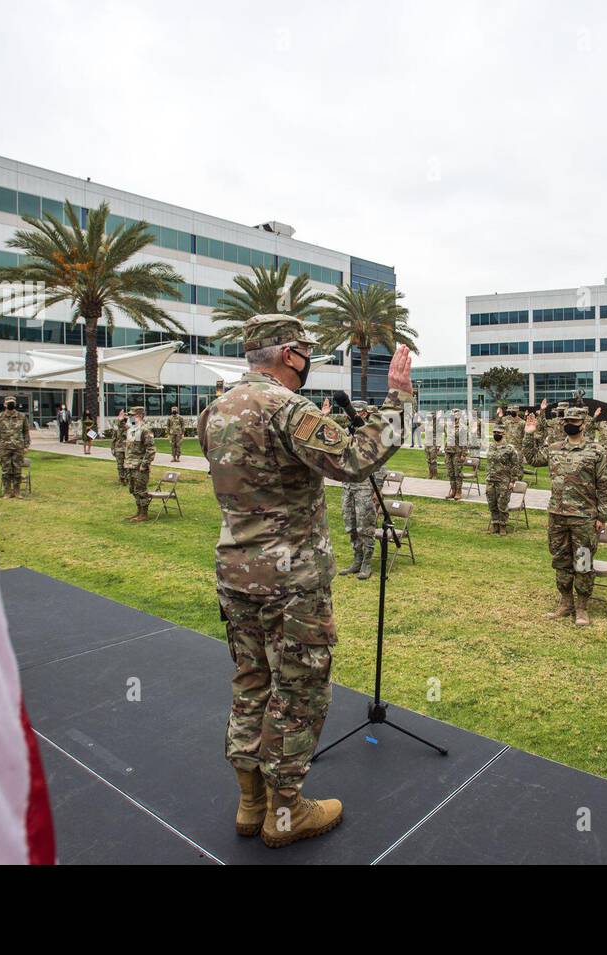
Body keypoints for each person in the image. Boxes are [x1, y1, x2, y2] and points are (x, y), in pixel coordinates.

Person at [204, 315, 411, 848]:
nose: (308, 361)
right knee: (298, 690)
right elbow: (353, 460)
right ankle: (287, 809)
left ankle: (251, 802)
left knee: (251, 681)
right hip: (290, 580)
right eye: (306, 352)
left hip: (237, 571)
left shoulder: (218, 407)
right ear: (290, 353)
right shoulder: (285, 407)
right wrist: (397, 401)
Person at [522, 406, 607, 626]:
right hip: (558, 515)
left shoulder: (596, 451)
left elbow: (605, 486)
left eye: (573, 421)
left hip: (584, 517)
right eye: (566, 421)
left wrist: (602, 515)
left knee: (583, 561)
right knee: (560, 560)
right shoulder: (554, 448)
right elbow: (532, 458)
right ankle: (565, 602)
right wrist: (528, 433)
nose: (568, 424)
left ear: (583, 424)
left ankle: (582, 607)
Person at [338, 406, 388, 581]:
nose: (349, 414)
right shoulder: (345, 433)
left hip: (366, 487)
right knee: (350, 524)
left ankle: (367, 562)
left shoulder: (371, 435)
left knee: (365, 526)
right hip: (348, 486)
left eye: (356, 412)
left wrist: (378, 489)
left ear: (364, 413)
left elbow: (381, 465)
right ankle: (357, 559)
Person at [484, 421, 523, 534]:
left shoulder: (509, 448)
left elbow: (515, 465)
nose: (496, 434)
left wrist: (513, 480)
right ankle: (495, 524)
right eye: (494, 432)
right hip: (491, 479)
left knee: (502, 504)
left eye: (499, 432)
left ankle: (503, 526)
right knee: (492, 503)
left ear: (504, 433)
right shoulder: (491, 446)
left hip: (503, 481)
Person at [0, 396, 30, 499]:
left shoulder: (22, 416)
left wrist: (26, 446)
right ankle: (7, 491)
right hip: (4, 448)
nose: (10, 404)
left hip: (18, 447)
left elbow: (26, 432)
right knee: (6, 470)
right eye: (8, 403)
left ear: (15, 404)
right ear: (4, 404)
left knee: (17, 470)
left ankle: (17, 491)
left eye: (12, 402)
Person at [123, 406, 155, 522]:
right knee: (133, 490)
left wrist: (144, 465)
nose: (130, 417)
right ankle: (138, 511)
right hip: (130, 465)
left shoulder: (145, 429)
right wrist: (120, 420)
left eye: (132, 415)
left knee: (141, 490)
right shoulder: (132, 429)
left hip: (139, 466)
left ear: (140, 416)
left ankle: (144, 514)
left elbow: (151, 449)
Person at [445, 410, 466, 500]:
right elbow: (447, 438)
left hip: (458, 453)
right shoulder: (448, 425)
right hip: (449, 452)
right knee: (450, 473)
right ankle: (453, 491)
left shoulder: (462, 427)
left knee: (458, 473)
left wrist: (464, 454)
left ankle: (458, 492)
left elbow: (464, 442)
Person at [111, 409, 129, 484]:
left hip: (128, 448)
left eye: (124, 414)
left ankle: (128, 479)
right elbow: (114, 438)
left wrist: (128, 417)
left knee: (128, 464)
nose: (123, 415)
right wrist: (112, 448)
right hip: (119, 447)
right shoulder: (117, 425)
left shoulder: (130, 423)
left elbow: (132, 426)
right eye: (122, 414)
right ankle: (122, 479)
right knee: (120, 465)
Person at [424, 412, 440, 478]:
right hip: (427, 443)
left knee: (433, 460)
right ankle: (430, 474)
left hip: (434, 443)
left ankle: (434, 475)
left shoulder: (436, 424)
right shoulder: (427, 423)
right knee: (428, 460)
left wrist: (438, 445)